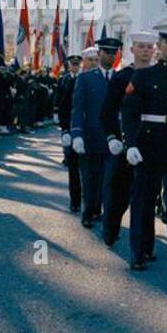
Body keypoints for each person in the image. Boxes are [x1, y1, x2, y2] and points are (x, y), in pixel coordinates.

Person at [121, 28, 167, 278]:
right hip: (148, 146)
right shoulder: (143, 76)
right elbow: (129, 113)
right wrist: (130, 144)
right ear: (159, 44)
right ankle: (139, 252)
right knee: (143, 203)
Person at [101, 33, 154, 246]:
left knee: (146, 198)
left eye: (149, 47)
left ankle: (145, 245)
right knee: (118, 194)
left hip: (149, 142)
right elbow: (107, 111)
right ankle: (110, 229)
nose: (146, 51)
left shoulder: (157, 76)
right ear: (132, 50)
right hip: (124, 142)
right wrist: (113, 137)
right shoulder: (122, 76)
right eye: (141, 46)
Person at [69, 46, 110, 226]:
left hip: (109, 137)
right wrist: (76, 133)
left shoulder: (115, 78)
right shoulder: (84, 79)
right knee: (88, 176)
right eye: (91, 59)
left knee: (103, 176)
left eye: (96, 58)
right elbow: (77, 108)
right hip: (89, 135)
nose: (95, 62)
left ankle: (97, 208)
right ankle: (87, 211)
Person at [56, 53, 83, 213]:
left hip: (84, 128)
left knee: (87, 170)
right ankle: (75, 201)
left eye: (77, 64)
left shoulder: (84, 79)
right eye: (73, 64)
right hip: (69, 125)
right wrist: (64, 128)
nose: (75, 66)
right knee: (73, 167)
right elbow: (61, 103)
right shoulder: (64, 79)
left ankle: (90, 200)